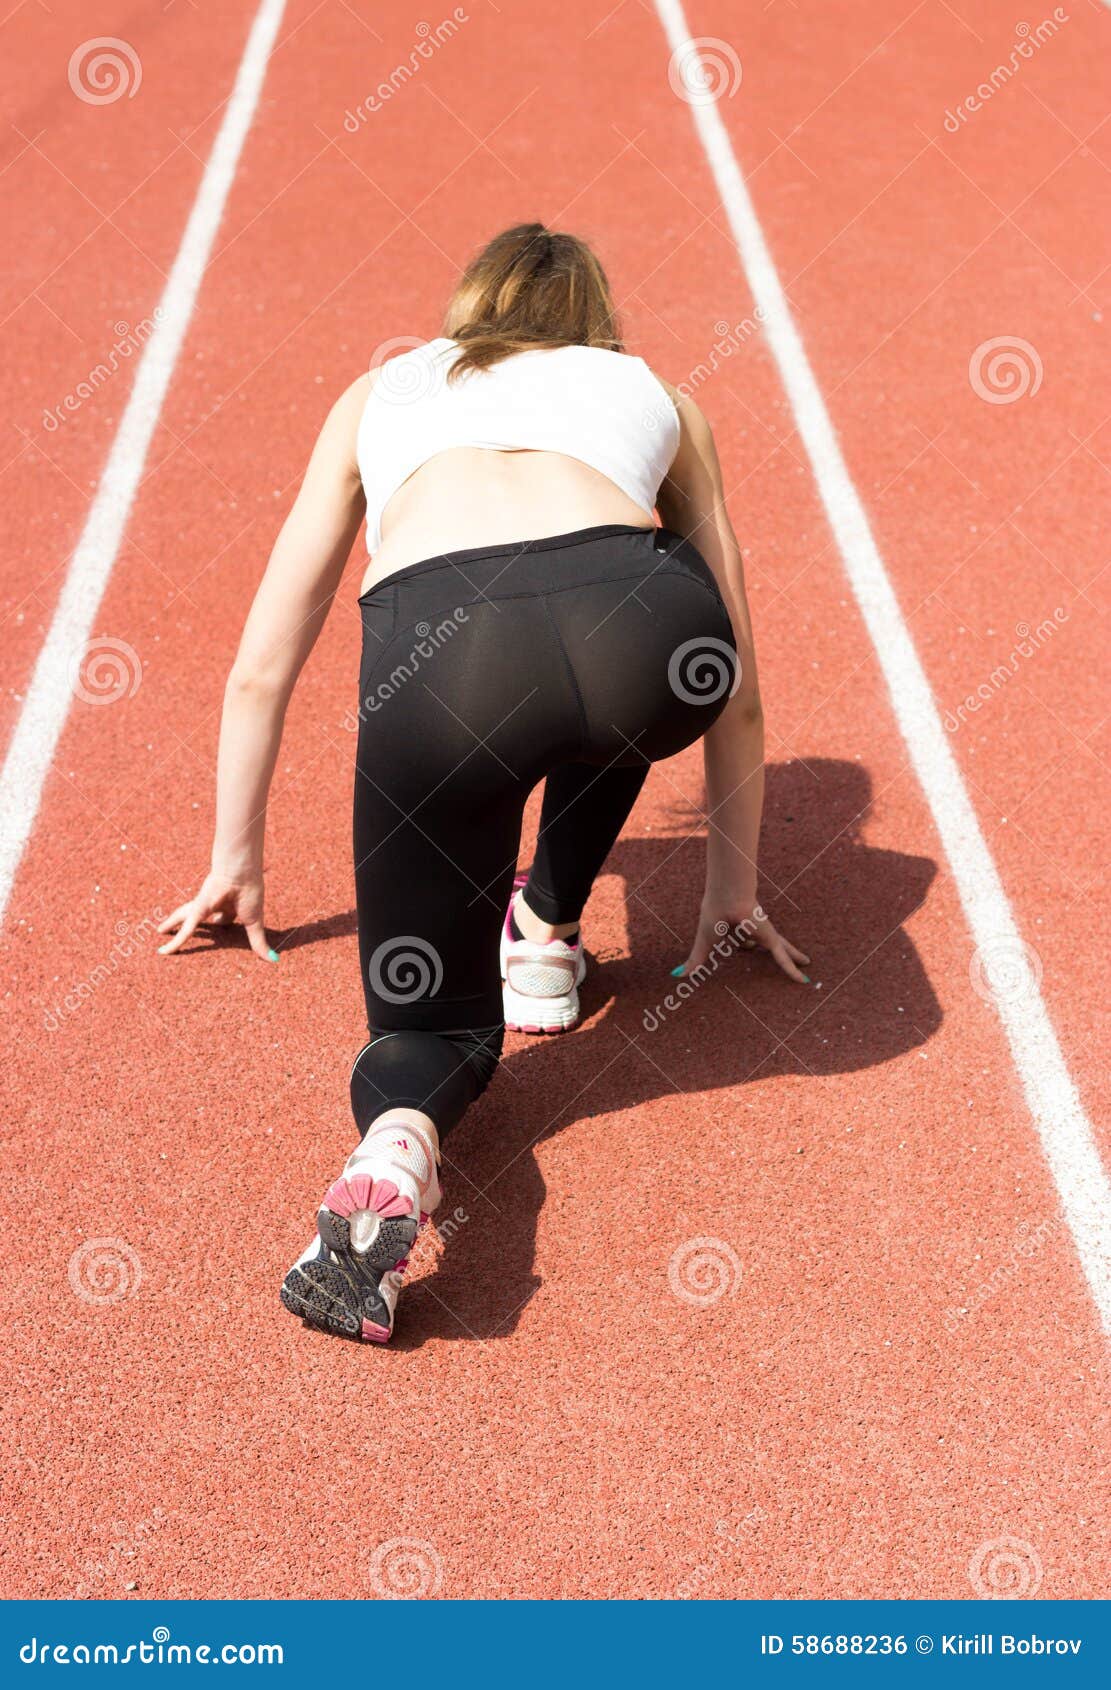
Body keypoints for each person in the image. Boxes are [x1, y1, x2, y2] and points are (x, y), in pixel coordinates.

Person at [157, 223, 809, 1343]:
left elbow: (264, 662)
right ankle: (545, 932)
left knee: (434, 1025)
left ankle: (399, 1147)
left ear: (469, 309)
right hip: (651, 641)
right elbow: (736, 683)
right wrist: (731, 885)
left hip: (447, 660)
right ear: (596, 319)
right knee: (609, 687)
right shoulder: (658, 394)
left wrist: (236, 857)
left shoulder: (379, 395)